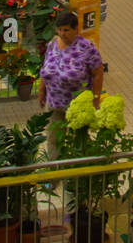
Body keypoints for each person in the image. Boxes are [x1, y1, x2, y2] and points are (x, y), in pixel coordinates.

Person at [39, 11, 103, 157]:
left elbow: (98, 73)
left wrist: (96, 99)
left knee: (77, 144)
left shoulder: (86, 48)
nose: (62, 33)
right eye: (60, 29)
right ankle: (55, 174)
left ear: (76, 29)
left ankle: (74, 176)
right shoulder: (53, 44)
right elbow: (45, 68)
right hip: (54, 104)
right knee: (53, 140)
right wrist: (42, 91)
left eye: (66, 30)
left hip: (76, 107)